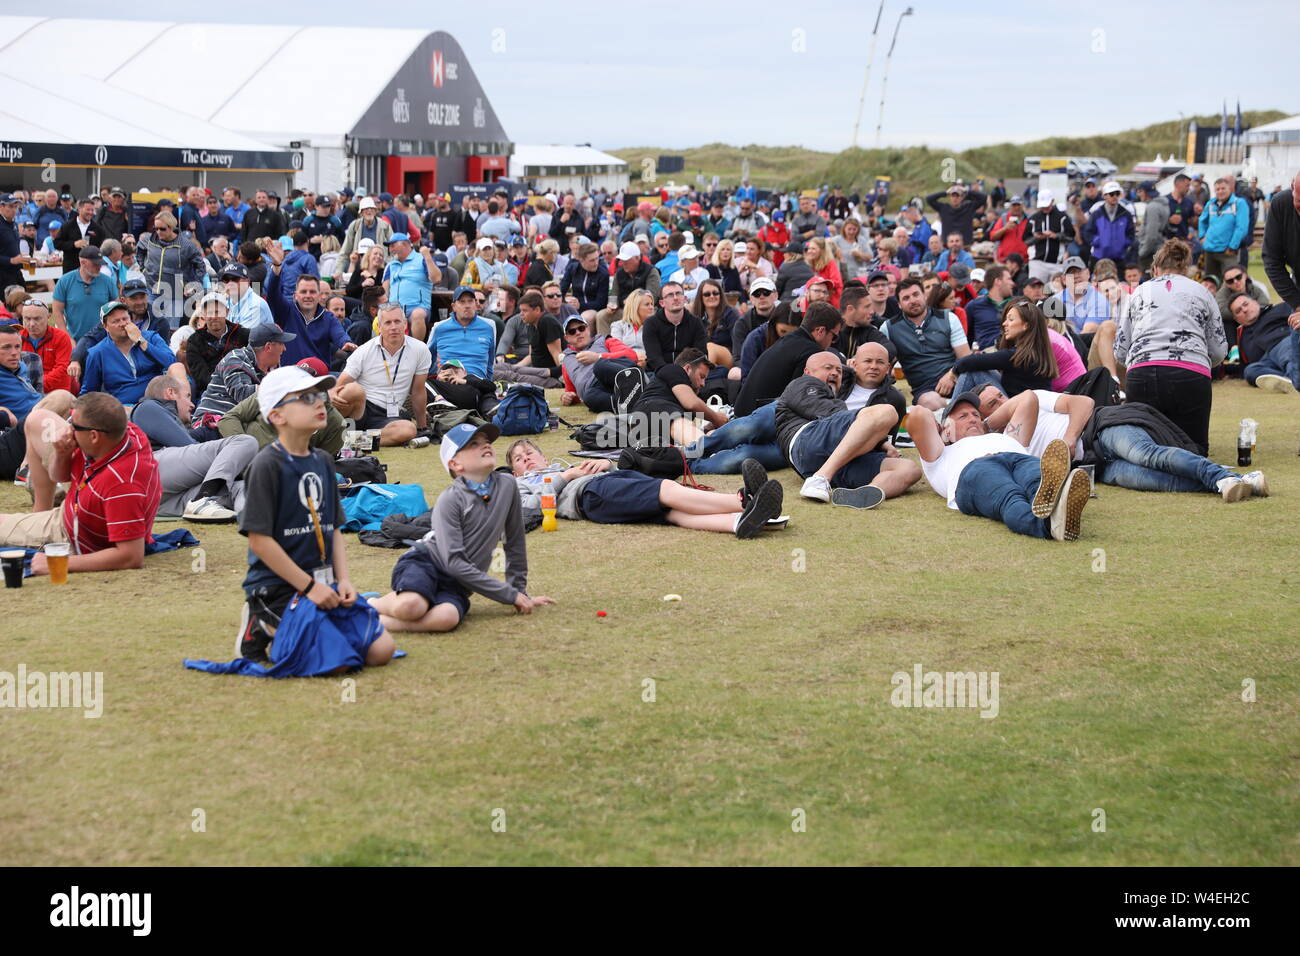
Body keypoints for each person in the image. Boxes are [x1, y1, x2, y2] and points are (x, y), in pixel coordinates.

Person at [233, 365, 394, 667]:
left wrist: (342, 580)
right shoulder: (266, 465)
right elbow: (259, 542)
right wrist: (309, 588)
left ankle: (301, 629)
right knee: (339, 661)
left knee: (381, 650)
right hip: (279, 588)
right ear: (277, 416)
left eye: (319, 395)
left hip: (325, 584)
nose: (320, 402)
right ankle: (260, 623)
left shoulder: (322, 461)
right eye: (305, 398)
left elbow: (332, 529)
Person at [367, 423, 553, 635]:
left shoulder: (508, 485)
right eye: (474, 444)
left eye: (486, 441)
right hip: (425, 563)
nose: (485, 446)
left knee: (447, 618)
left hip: (459, 582)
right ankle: (369, 605)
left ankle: (379, 622)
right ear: (455, 464)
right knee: (411, 607)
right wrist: (506, 594)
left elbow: (515, 542)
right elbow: (453, 562)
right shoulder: (450, 499)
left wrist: (519, 593)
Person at [0, 392, 161, 573]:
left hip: (73, 531)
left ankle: (38, 530)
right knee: (36, 419)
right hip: (83, 498)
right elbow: (59, 476)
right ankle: (40, 513)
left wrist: (56, 563)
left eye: (73, 426)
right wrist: (62, 453)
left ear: (93, 436)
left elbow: (131, 556)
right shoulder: (123, 432)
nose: (68, 430)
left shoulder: (121, 485)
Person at [507, 440, 784, 538]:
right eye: (519, 459)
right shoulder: (517, 485)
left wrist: (605, 464)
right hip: (588, 495)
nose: (527, 459)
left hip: (603, 486)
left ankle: (737, 522)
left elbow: (610, 471)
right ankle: (744, 500)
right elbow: (531, 509)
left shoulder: (562, 466)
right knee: (664, 490)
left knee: (670, 513)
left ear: (544, 457)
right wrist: (565, 477)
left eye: (530, 453)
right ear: (514, 470)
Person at [911, 392, 1089, 541]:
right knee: (1010, 496)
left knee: (1036, 478)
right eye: (963, 416)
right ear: (947, 430)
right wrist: (943, 433)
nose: (973, 419)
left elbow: (1028, 398)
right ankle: (1046, 525)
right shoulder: (941, 454)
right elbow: (918, 414)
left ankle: (1056, 505)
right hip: (975, 469)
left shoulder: (1008, 437)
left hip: (1018, 459)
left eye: (975, 415)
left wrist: (986, 424)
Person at [1114, 239, 1227, 456]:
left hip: (1142, 374)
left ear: (1155, 268)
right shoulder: (1202, 292)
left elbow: (1120, 349)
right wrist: (1199, 359)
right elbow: (1220, 349)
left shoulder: (1137, 293)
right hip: (1190, 375)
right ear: (1185, 268)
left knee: (1144, 451)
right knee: (1195, 450)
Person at [777, 350, 921, 507]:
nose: (834, 373)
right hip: (806, 442)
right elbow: (826, 412)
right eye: (828, 368)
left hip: (835, 460)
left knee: (909, 469)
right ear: (808, 372)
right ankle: (821, 478)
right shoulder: (803, 383)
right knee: (886, 412)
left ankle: (865, 493)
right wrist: (880, 441)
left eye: (839, 370)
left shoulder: (890, 395)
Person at [128, 374, 260, 521]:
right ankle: (204, 497)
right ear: (170, 393)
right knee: (245, 442)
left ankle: (253, 521)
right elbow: (187, 445)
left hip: (160, 500)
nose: (192, 404)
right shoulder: (148, 407)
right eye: (187, 396)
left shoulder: (160, 416)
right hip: (150, 471)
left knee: (241, 486)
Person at [330, 303, 432, 446]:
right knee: (352, 390)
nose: (393, 327)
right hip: (361, 407)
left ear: (404, 324)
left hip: (390, 416)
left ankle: (353, 441)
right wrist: (333, 392)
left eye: (397, 321)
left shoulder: (420, 349)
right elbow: (341, 384)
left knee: (409, 430)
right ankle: (330, 432)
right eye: (388, 322)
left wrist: (422, 427)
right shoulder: (364, 350)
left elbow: (418, 391)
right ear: (379, 327)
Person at [734, 302, 842, 418]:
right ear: (820, 331)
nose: (832, 342)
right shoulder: (810, 352)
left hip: (743, 413)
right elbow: (798, 399)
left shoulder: (789, 340)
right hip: (757, 421)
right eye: (834, 336)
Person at [880, 276, 970, 412]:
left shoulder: (948, 318)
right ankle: (963, 405)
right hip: (925, 390)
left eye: (916, 294)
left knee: (988, 382)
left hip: (957, 378)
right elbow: (883, 365)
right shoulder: (889, 328)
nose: (913, 300)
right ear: (899, 304)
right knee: (929, 402)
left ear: (924, 296)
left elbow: (965, 358)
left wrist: (952, 375)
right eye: (906, 298)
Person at [80, 301, 185, 406]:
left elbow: (171, 362)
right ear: (106, 327)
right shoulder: (97, 353)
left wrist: (142, 342)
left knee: (178, 368)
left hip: (158, 400)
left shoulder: (150, 337)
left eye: (125, 319)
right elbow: (89, 391)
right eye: (116, 321)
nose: (122, 324)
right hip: (124, 406)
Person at [264, 245, 352, 369]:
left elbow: (339, 335)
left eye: (312, 292)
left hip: (319, 379)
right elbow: (272, 292)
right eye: (304, 292)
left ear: (319, 296)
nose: (308, 296)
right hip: (290, 376)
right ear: (295, 295)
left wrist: (346, 342)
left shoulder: (328, 317)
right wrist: (277, 266)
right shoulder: (286, 311)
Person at [617, 347, 728, 445]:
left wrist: (706, 428)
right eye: (701, 376)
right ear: (687, 368)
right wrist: (716, 418)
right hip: (652, 409)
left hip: (649, 432)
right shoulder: (673, 369)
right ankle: (709, 451)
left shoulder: (680, 398)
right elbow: (691, 403)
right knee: (681, 424)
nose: (703, 384)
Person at [193, 322, 295, 425]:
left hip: (232, 427)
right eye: (281, 343)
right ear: (268, 347)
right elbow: (241, 393)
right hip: (209, 424)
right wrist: (278, 388)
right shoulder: (236, 357)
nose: (285, 349)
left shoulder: (269, 371)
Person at [558, 314, 638, 412]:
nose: (578, 333)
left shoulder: (605, 340)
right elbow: (572, 392)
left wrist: (598, 357)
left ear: (588, 329)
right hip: (598, 390)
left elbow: (632, 355)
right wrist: (566, 396)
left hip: (617, 378)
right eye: (572, 331)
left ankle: (636, 386)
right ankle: (626, 405)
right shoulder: (567, 359)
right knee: (588, 397)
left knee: (600, 366)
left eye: (581, 328)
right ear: (567, 338)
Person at [185, 291, 249, 399]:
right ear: (203, 315)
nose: (214, 316)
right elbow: (201, 377)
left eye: (218, 311)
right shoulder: (194, 341)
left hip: (243, 388)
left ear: (227, 312)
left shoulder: (243, 334)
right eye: (209, 312)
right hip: (212, 393)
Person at [1234, 294, 1300, 393]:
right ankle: (1290, 379)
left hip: (1284, 341)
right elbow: (1241, 367)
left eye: (1246, 304)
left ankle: (1296, 380)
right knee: (1250, 370)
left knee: (1287, 354)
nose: (1244, 310)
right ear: (1236, 319)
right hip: (1268, 360)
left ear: (1256, 302)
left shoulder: (1277, 310)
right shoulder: (1243, 336)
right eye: (1238, 311)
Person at [381, 233, 441, 341]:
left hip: (417, 307)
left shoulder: (422, 259)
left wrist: (427, 256)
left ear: (405, 244)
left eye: (393, 245)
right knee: (380, 316)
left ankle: (417, 351)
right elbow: (384, 291)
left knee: (417, 314)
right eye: (389, 246)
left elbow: (437, 279)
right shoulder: (391, 265)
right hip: (395, 309)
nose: (390, 249)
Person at [430, 286, 497, 380]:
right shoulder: (440, 328)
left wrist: (488, 384)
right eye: (462, 301)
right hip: (448, 381)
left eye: (470, 301)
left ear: (475, 304)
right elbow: (428, 357)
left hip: (476, 382)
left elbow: (490, 363)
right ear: (453, 306)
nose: (467, 305)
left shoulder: (488, 327)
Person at [52, 246, 118, 340]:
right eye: (95, 264)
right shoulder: (65, 281)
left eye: (100, 264)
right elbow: (57, 311)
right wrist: (67, 338)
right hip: (75, 340)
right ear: (83, 262)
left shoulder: (108, 281)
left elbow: (116, 309)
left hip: (104, 341)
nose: (99, 267)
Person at [641, 281, 708, 372]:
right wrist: (672, 374)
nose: (675, 298)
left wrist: (685, 373)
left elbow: (700, 354)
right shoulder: (651, 323)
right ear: (662, 303)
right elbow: (654, 358)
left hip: (689, 372)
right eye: (670, 295)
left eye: (678, 293)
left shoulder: (696, 322)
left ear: (685, 299)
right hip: (659, 373)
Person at [1261, 170, 1300, 317]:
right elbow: (1272, 258)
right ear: (1292, 188)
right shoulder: (1281, 203)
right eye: (1299, 202)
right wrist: (1297, 303)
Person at [17, 298, 76, 395]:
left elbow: (62, 368)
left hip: (56, 391)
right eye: (27, 318)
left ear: (48, 317)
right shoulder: (17, 337)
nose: (31, 324)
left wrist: (36, 384)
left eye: (37, 318)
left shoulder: (61, 337)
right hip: (26, 389)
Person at [1198, 176, 1250, 281]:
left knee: (1231, 281)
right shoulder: (1211, 203)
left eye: (1223, 188)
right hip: (1210, 250)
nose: (1220, 191)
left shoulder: (1239, 203)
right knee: (1211, 282)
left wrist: (1232, 247)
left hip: (1227, 252)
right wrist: (1202, 236)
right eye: (1217, 189)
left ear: (1229, 189)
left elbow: (1241, 228)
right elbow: (1202, 220)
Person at [1083, 182, 1136, 265]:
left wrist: (1123, 243)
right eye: (1111, 194)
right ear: (1104, 196)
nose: (1115, 196)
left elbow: (1131, 234)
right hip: (1099, 257)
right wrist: (1098, 241)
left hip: (1120, 258)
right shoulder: (1097, 214)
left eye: (1117, 194)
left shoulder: (1126, 214)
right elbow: (1088, 233)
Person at [53, 197, 108, 274]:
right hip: (71, 268)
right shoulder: (68, 226)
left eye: (92, 210)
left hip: (91, 269)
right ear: (79, 209)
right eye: (88, 209)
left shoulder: (98, 229)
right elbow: (57, 244)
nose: (91, 212)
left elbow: (101, 248)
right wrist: (74, 244)